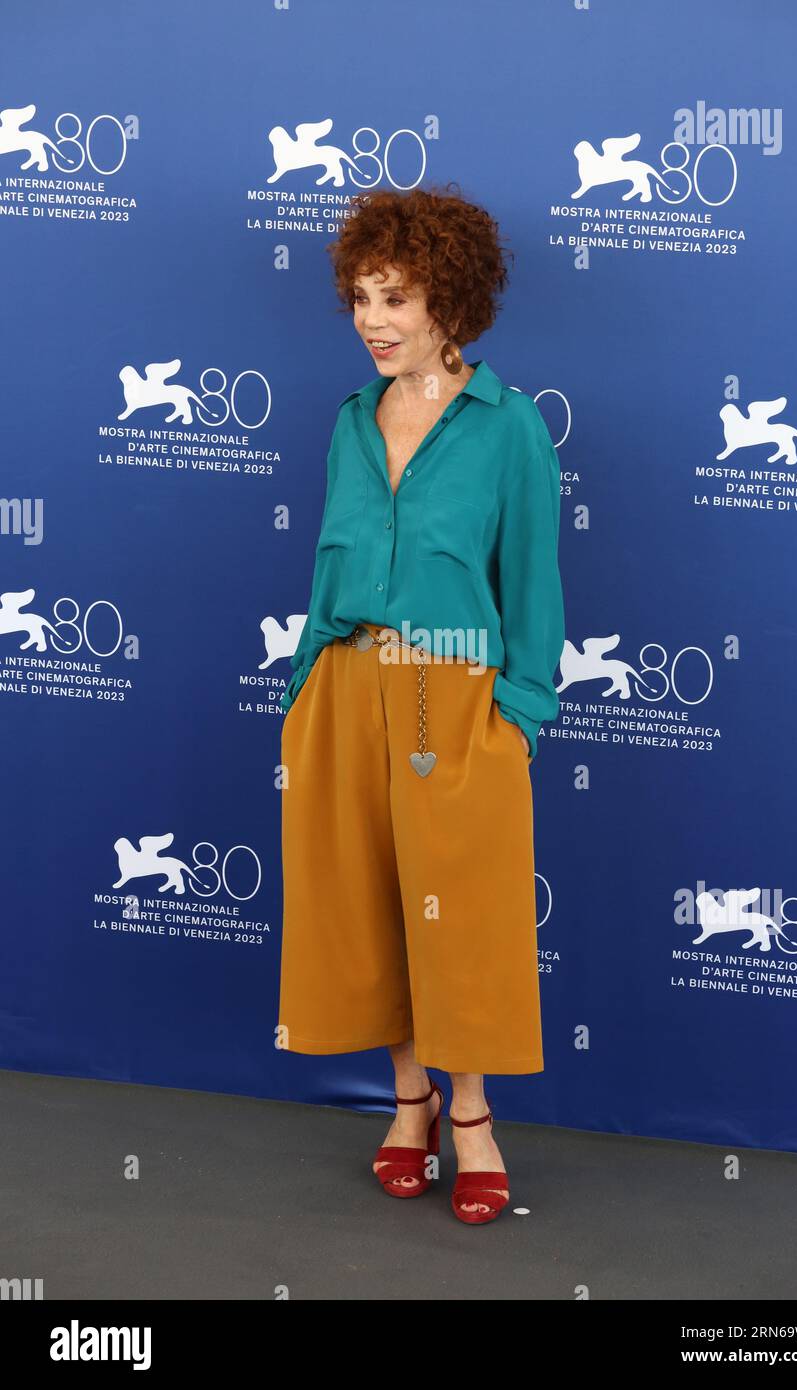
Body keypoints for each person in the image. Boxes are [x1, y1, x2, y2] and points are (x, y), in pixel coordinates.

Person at [277, 182, 565, 1225]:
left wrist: (515, 718)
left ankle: (473, 1116)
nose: (371, 321)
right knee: (371, 903)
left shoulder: (507, 428)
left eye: (392, 297)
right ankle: (408, 1107)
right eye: (360, 297)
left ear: (446, 298)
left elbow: (533, 588)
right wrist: (307, 682)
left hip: (455, 698)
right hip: (349, 688)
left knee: (464, 917)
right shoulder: (351, 421)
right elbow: (327, 564)